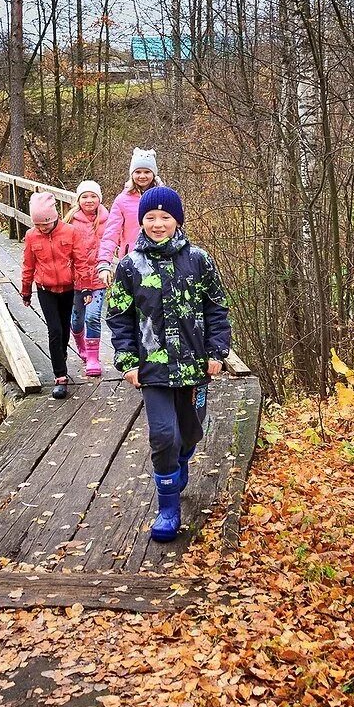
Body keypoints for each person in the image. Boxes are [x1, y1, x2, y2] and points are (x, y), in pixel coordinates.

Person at [105, 186, 231, 542]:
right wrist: (128, 360)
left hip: (195, 368)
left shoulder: (199, 260)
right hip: (153, 370)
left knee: (190, 434)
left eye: (165, 217)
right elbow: (119, 316)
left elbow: (217, 309)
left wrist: (217, 352)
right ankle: (168, 507)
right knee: (163, 436)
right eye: (150, 218)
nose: (157, 224)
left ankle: (181, 463)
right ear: (140, 221)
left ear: (177, 220)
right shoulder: (130, 266)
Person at [21, 191, 83, 399]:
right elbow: (28, 265)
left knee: (65, 329)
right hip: (45, 288)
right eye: (38, 224)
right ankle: (60, 377)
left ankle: (61, 355)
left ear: (54, 217)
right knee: (54, 330)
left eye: (45, 223)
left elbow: (81, 260)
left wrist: (85, 287)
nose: (42, 228)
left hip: (68, 288)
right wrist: (26, 290)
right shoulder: (31, 236)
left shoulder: (70, 232)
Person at [96, 147, 162, 288]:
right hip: (131, 261)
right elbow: (111, 233)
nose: (142, 176)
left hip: (160, 260)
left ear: (153, 173)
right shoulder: (122, 200)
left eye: (147, 172)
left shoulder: (163, 196)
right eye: (138, 172)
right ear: (132, 174)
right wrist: (104, 263)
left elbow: (175, 227)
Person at [64, 180, 109, 377]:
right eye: (85, 196)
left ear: (99, 198)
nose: (89, 200)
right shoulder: (70, 221)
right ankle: (81, 346)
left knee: (92, 316)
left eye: (93, 196)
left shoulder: (108, 219)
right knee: (76, 319)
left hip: (98, 277)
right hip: (76, 280)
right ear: (78, 199)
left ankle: (93, 357)